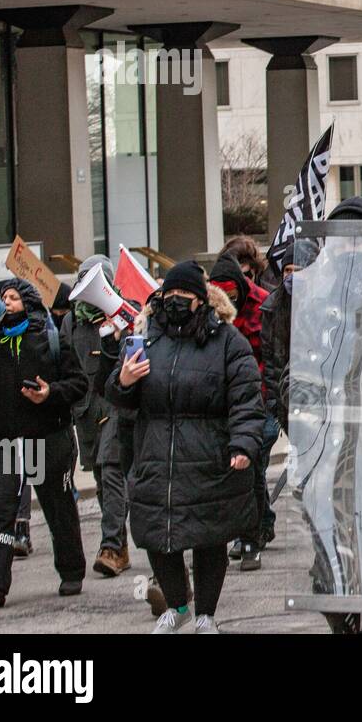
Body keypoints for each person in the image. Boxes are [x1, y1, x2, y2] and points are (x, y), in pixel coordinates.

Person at [105, 261, 264, 634]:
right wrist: (124, 380)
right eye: (170, 295)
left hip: (208, 456)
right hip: (155, 455)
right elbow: (117, 395)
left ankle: (206, 613)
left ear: (201, 300)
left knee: (209, 537)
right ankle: (177, 606)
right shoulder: (145, 336)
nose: (176, 301)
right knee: (156, 535)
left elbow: (245, 398)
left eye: (185, 296)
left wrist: (243, 444)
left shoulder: (226, 340)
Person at [0, 279, 89, 609]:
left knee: (57, 505)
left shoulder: (51, 338)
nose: (7, 302)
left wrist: (49, 394)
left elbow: (78, 384)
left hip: (46, 436)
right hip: (1, 438)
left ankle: (72, 570)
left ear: (28, 304)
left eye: (14, 297)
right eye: (3, 297)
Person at [62, 255, 132, 578]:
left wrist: (118, 326)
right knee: (101, 478)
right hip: (86, 410)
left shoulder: (123, 309)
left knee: (111, 468)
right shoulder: (71, 321)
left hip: (114, 404)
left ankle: (111, 546)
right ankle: (120, 543)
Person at [209, 253, 274, 571]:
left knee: (253, 471)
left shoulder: (263, 305)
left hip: (257, 400)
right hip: (219, 403)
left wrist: (269, 397)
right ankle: (219, 537)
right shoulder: (208, 313)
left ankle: (252, 536)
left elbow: (273, 353)